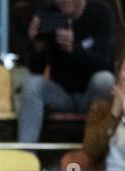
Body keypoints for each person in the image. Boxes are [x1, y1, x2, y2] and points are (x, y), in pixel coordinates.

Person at [20, 0, 116, 144]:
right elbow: (36, 69)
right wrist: (37, 44)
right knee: (32, 83)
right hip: (61, 94)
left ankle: (102, 149)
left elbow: (104, 63)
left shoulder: (101, 12)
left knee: (105, 79)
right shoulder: (49, 13)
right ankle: (25, 157)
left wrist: (74, 49)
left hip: (91, 96)